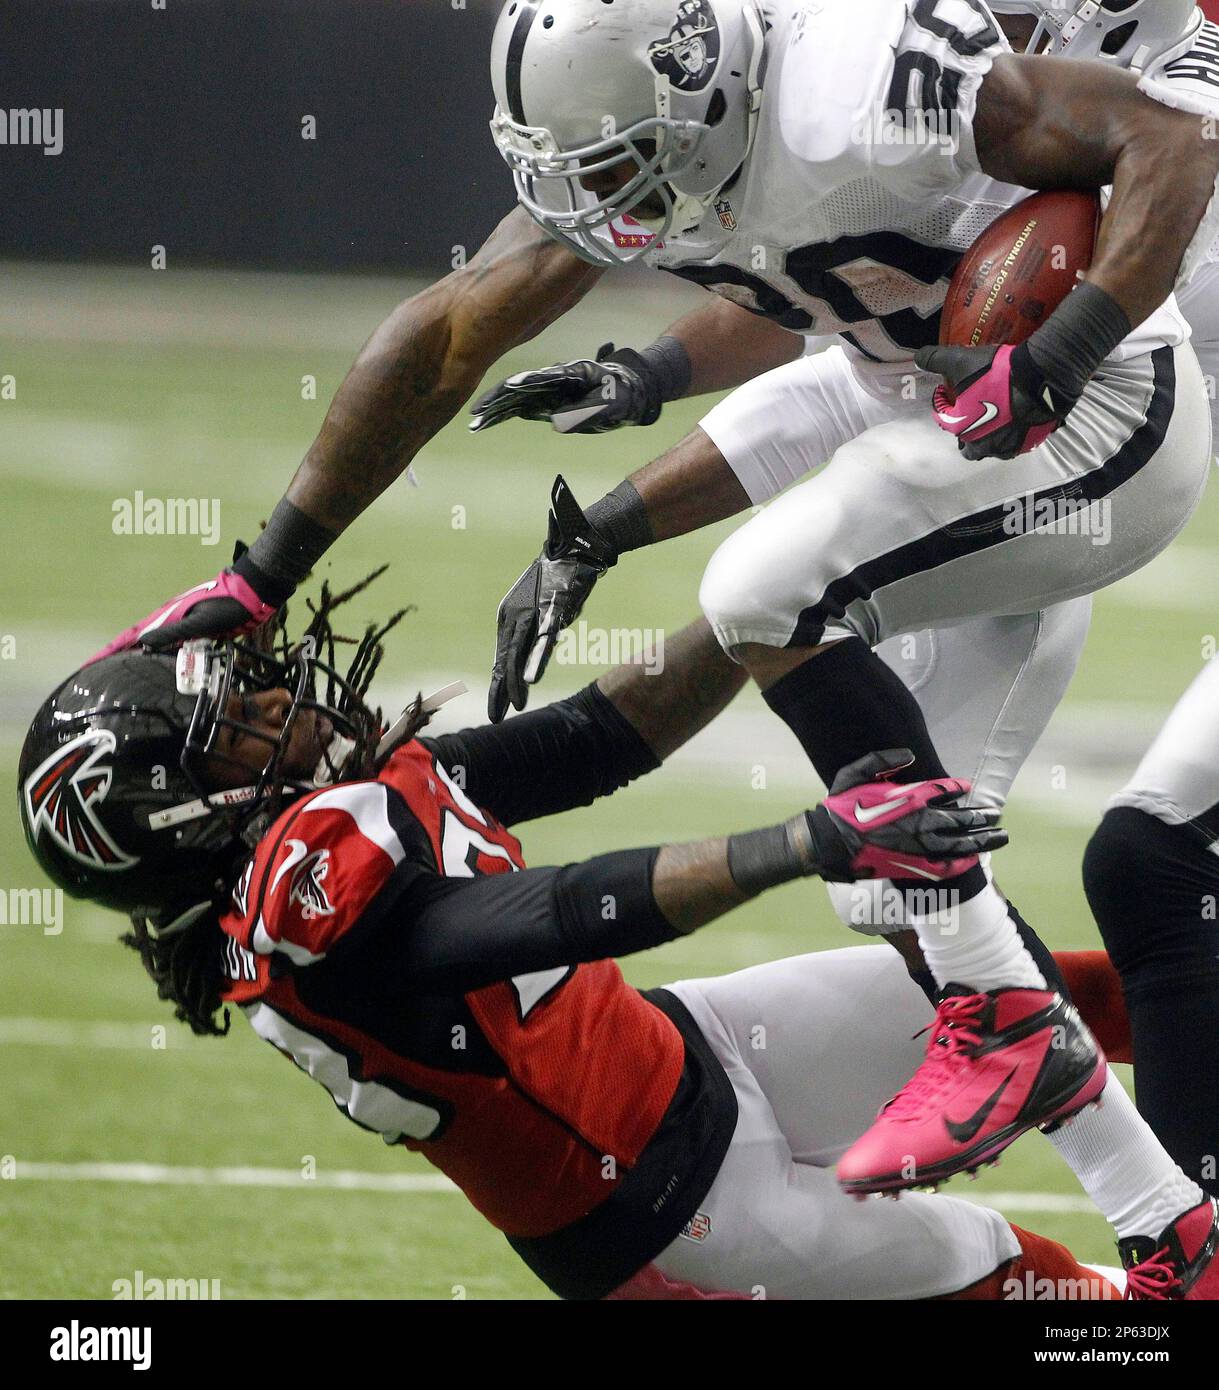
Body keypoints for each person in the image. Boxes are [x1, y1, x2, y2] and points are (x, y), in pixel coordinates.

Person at [477, 0, 1216, 1194]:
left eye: (617, 154)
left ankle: (1015, 1034)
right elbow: (857, 378)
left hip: (1107, 426)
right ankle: (1168, 1219)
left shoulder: (881, 90)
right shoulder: (771, 153)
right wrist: (604, 517)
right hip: (994, 459)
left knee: (765, 586)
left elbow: (1174, 146)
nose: (602, 196)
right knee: (903, 880)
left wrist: (1062, 350)